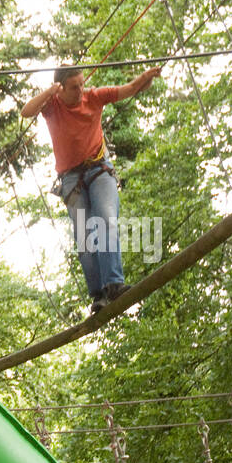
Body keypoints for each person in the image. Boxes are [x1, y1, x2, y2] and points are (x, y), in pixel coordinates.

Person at [22, 64, 161, 314]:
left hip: (99, 169)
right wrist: (48, 91)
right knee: (85, 238)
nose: (80, 90)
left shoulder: (93, 97)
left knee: (106, 221)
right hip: (71, 179)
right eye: (74, 87)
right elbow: (26, 111)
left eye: (82, 84)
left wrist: (145, 78)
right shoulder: (52, 105)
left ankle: (114, 285)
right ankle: (98, 295)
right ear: (60, 88)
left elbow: (128, 89)